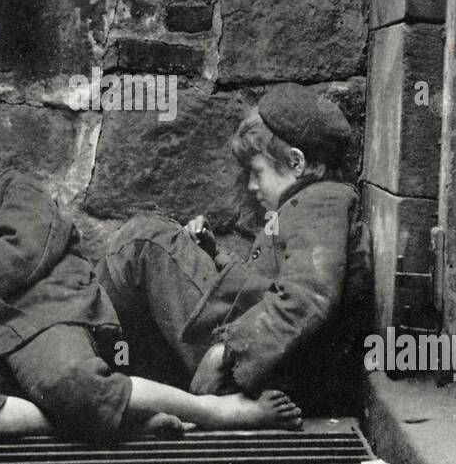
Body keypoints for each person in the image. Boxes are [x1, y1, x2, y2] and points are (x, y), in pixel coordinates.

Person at [0, 133, 302, 450]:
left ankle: (214, 411)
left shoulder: (15, 193)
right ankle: (120, 422)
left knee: (73, 383)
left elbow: (17, 254)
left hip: (44, 317)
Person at [98, 84, 371, 414]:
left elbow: (308, 297)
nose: (252, 186)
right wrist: (215, 255)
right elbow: (270, 283)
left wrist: (227, 350)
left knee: (144, 242)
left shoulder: (321, 203)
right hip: (263, 358)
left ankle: (90, 378)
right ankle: (114, 385)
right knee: (149, 240)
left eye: (257, 172)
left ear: (296, 162)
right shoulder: (310, 204)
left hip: (256, 367)